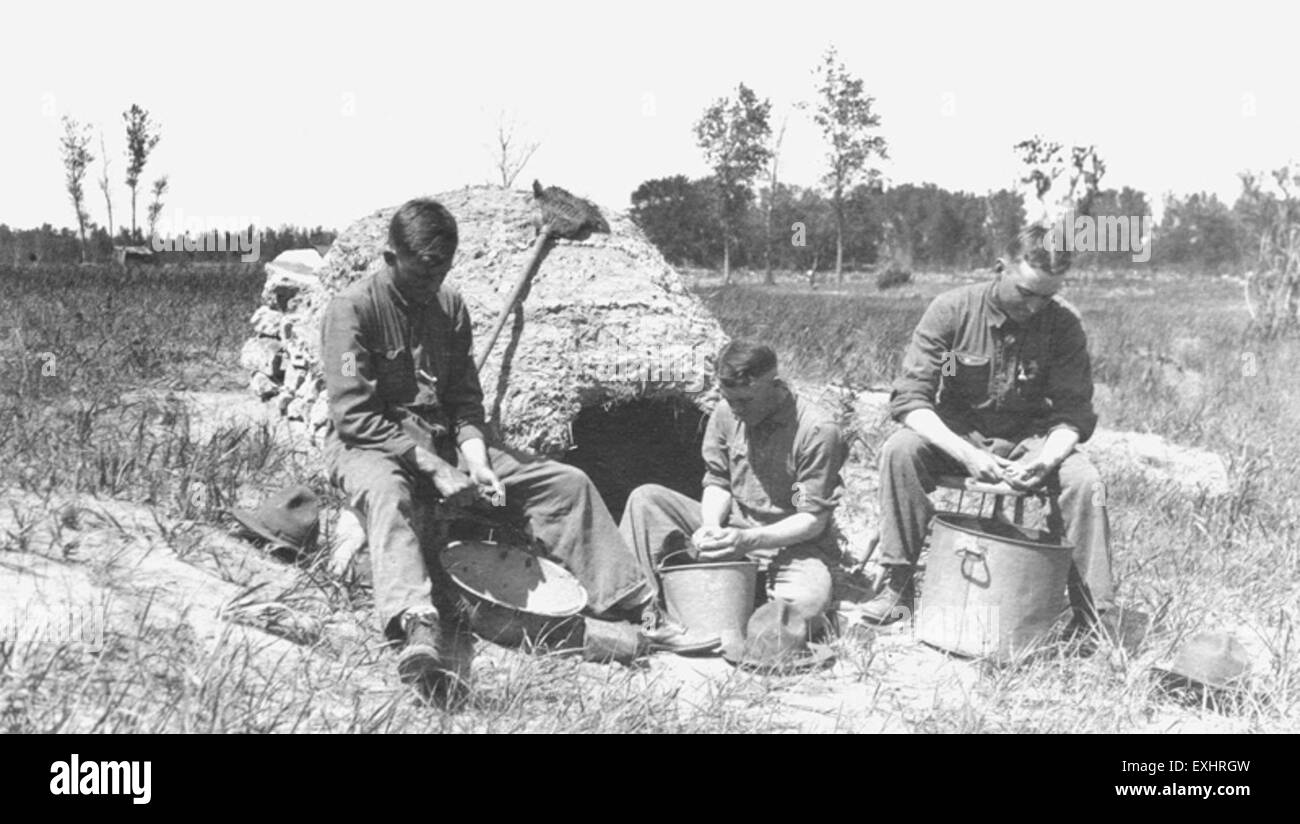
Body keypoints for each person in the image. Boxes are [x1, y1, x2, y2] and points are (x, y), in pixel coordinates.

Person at [320, 198, 660, 703]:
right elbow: (354, 414)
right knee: (390, 495)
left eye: (443, 269)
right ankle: (417, 628)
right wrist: (433, 469)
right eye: (424, 270)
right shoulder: (352, 310)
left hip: (441, 441)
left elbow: (463, 401)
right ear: (392, 257)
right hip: (369, 445)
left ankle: (628, 601)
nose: (433, 282)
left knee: (563, 484)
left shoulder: (449, 307)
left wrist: (477, 461)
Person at [866, 224, 1114, 638]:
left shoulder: (1064, 324)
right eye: (1026, 292)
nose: (1035, 307)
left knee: (1085, 482)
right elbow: (911, 401)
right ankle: (898, 585)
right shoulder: (952, 309)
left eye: (1048, 296)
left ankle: (1093, 616)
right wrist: (966, 454)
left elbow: (1072, 412)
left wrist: (1047, 459)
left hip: (1031, 440)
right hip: (958, 433)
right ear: (1000, 268)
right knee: (900, 451)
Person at [620, 341, 847, 633]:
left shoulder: (815, 431)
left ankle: (755, 615)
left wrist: (749, 540)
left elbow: (811, 519)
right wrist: (711, 526)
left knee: (807, 604)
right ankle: (641, 610)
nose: (737, 410)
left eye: (746, 400)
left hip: (791, 545)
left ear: (773, 383)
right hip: (733, 528)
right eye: (730, 400)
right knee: (646, 500)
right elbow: (718, 481)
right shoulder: (725, 413)